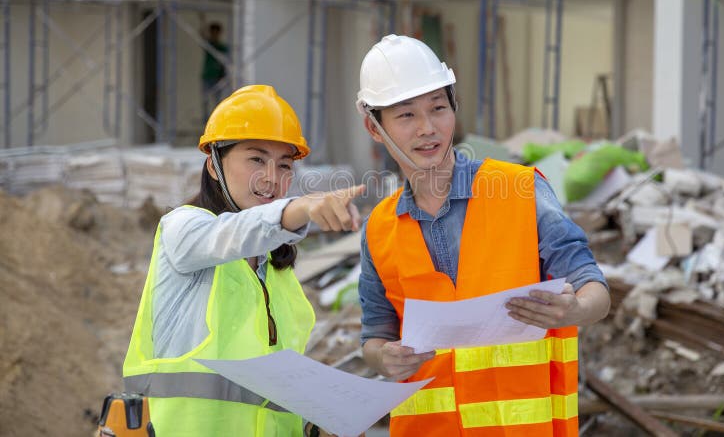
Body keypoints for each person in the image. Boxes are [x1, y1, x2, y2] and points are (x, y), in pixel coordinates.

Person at [356, 35, 611, 436]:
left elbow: (593, 287)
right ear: (375, 127)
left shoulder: (519, 189)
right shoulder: (379, 229)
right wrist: (383, 358)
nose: (427, 128)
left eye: (438, 108)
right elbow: (375, 335)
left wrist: (576, 310)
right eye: (406, 116)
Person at [123, 85, 363, 437]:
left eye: (284, 165)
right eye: (256, 159)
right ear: (214, 164)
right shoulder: (183, 231)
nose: (272, 178)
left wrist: (320, 421)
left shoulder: (274, 268)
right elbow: (232, 234)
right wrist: (301, 208)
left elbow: (275, 385)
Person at [201, 22, 230, 118]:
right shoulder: (208, 45)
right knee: (205, 100)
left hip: (218, 77)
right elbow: (201, 36)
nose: (214, 35)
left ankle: (217, 118)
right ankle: (205, 120)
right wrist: (202, 21)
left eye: (216, 33)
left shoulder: (222, 47)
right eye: (212, 33)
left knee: (218, 101)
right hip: (207, 76)